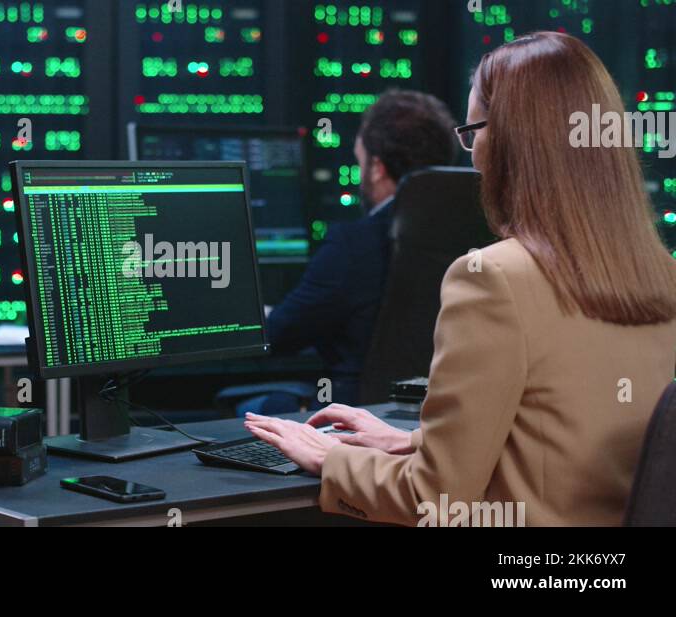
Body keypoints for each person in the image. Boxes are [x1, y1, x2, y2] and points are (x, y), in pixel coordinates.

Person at [245, 32, 676, 526]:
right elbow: (563, 440)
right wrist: (412, 440)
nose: (471, 154)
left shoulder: (493, 279)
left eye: (473, 130)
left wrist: (330, 459)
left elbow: (432, 498)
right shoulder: (661, 275)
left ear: (511, 140)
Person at [263, 90, 458, 407]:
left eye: (360, 162)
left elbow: (279, 335)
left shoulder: (354, 245)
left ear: (377, 168)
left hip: (355, 420)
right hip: (436, 419)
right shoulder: (476, 235)